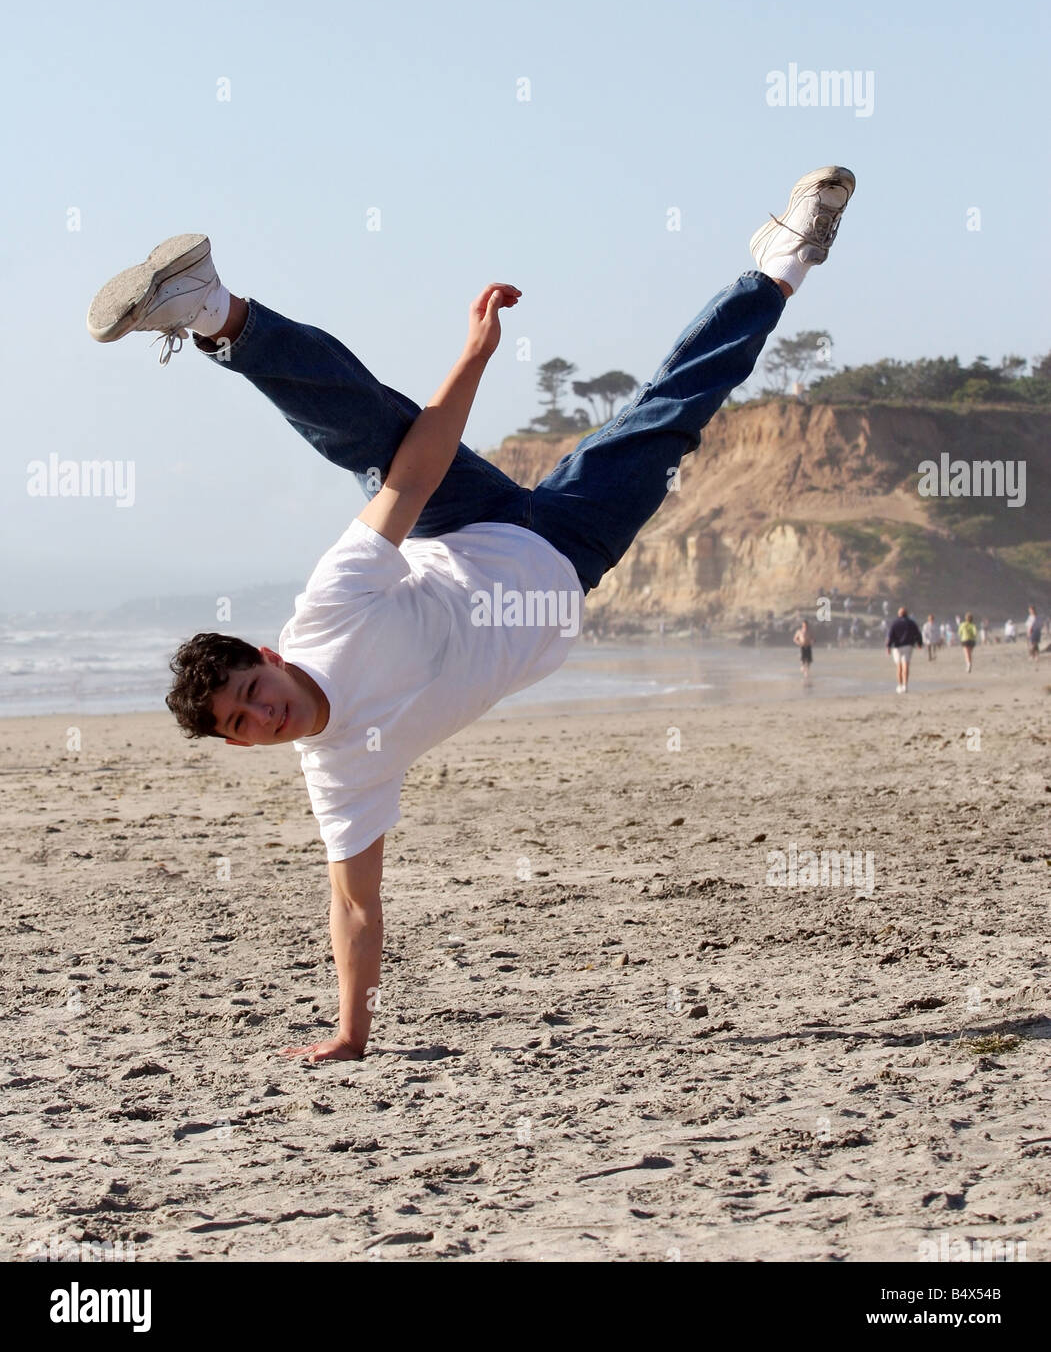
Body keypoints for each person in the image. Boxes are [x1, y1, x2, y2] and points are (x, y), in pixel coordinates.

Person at [86, 166, 855, 1063]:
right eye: (242, 724)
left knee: (374, 439)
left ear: (266, 653)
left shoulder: (329, 610)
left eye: (252, 690)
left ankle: (215, 312)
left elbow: (414, 470)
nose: (264, 714)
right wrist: (351, 1031)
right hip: (567, 556)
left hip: (469, 520)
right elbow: (354, 906)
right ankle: (782, 265)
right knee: (669, 414)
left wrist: (474, 357)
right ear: (240, 746)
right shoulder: (339, 773)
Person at [886, 606, 924, 693]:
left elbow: (890, 635)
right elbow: (917, 633)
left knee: (899, 666)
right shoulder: (911, 623)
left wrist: (888, 646)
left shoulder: (895, 623)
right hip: (908, 645)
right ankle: (905, 685)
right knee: (906, 665)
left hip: (897, 647)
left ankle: (899, 685)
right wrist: (919, 643)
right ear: (907, 614)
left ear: (899, 614)